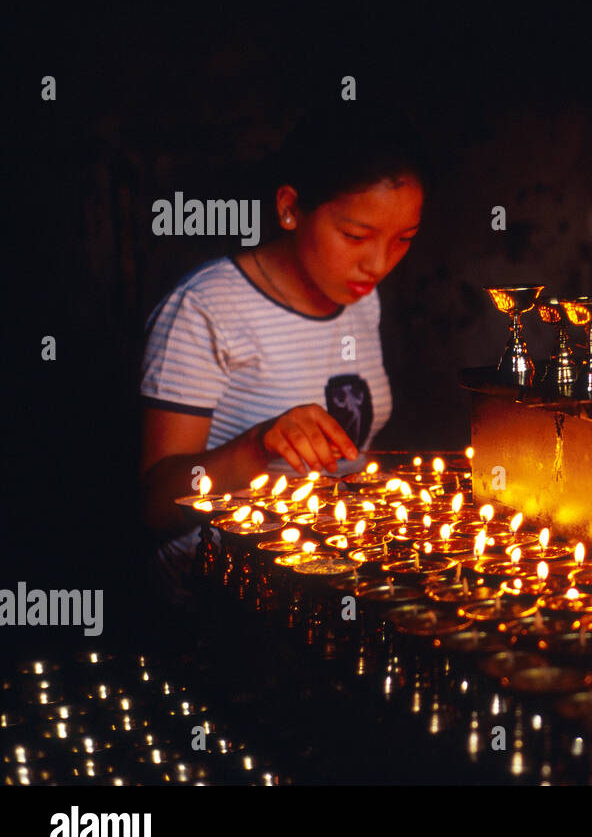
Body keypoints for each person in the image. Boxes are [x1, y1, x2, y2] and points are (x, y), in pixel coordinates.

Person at [139, 105, 427, 591]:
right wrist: (257, 444)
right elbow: (152, 507)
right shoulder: (206, 308)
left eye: (404, 239)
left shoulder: (362, 299)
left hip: (333, 576)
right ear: (290, 207)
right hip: (226, 591)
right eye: (355, 236)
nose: (378, 263)